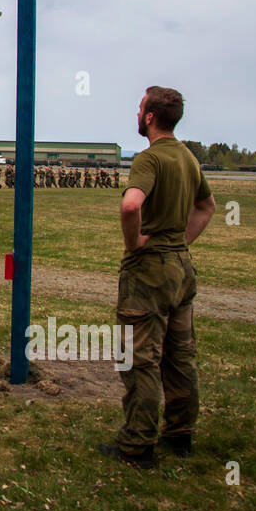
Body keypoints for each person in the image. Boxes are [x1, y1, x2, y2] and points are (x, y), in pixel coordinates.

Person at [99, 86, 216, 469]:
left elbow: (131, 204)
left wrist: (135, 243)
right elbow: (207, 206)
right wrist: (179, 241)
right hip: (181, 268)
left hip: (150, 272)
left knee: (140, 359)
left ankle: (137, 446)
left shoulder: (150, 159)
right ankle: (180, 435)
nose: (137, 113)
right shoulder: (188, 157)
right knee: (180, 356)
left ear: (149, 116)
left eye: (139, 108)